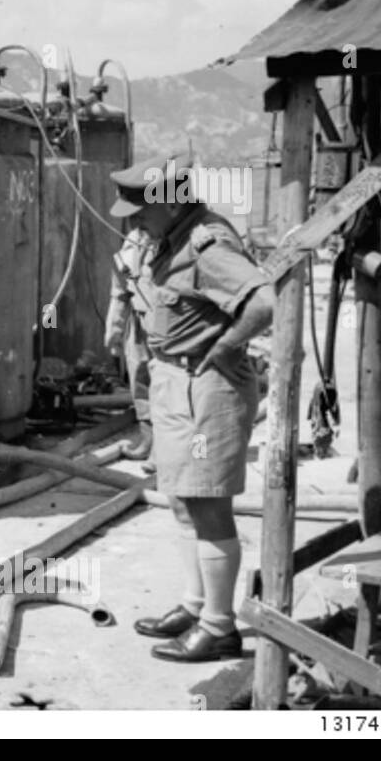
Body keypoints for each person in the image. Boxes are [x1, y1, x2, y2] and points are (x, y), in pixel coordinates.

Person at [110, 153, 275, 663]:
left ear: (171, 200)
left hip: (207, 387)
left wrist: (224, 348)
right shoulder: (170, 238)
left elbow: (265, 301)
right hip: (173, 380)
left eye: (141, 209)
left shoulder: (207, 244)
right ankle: (196, 603)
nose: (134, 219)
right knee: (182, 499)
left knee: (207, 503)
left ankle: (220, 627)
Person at [105, 224, 155, 470]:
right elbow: (120, 290)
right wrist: (114, 331)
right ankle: (148, 442)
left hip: (169, 324)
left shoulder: (181, 235)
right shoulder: (133, 239)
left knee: (168, 387)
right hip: (138, 321)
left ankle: (168, 453)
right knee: (140, 381)